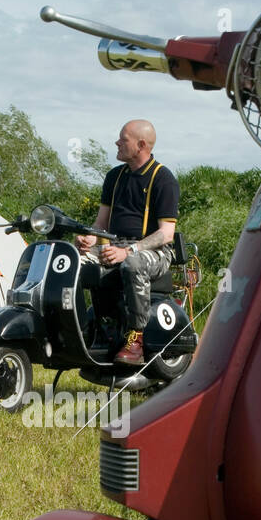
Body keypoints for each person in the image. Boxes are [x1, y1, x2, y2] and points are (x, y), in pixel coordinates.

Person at [76, 119, 179, 365]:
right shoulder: (114, 176)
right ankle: (84, 329)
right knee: (69, 262)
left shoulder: (163, 179)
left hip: (154, 251)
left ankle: (137, 340)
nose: (117, 143)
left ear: (141, 145)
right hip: (116, 245)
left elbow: (166, 234)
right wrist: (89, 238)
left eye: (123, 140)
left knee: (132, 265)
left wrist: (128, 250)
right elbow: (101, 224)